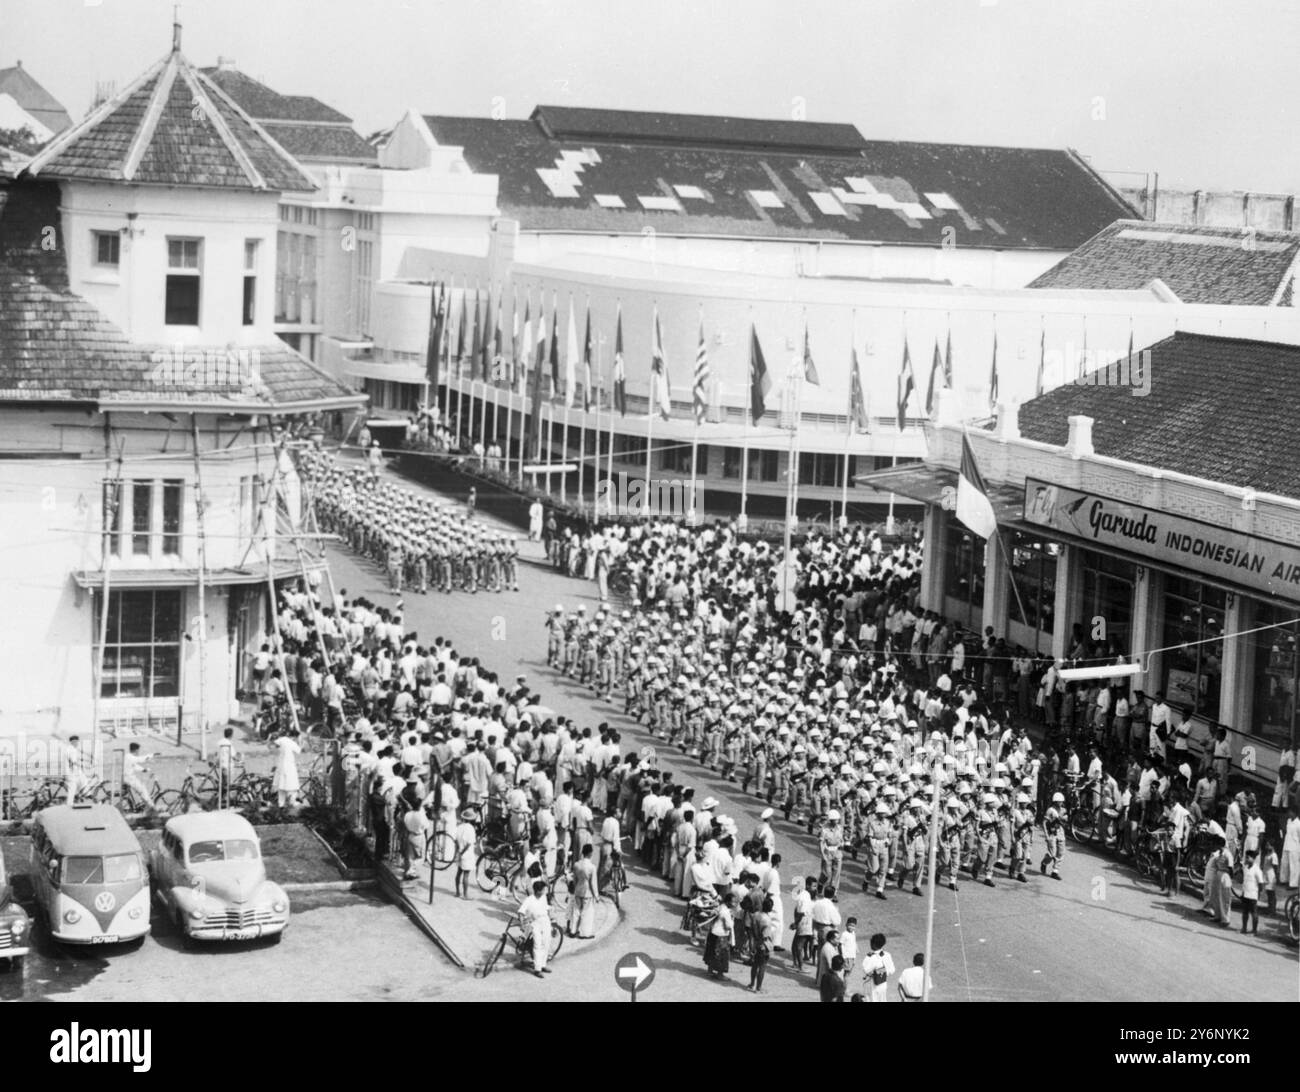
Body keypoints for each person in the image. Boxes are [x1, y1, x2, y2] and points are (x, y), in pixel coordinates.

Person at [519, 879, 553, 978]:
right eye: (544, 890)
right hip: (535, 923)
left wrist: (551, 914)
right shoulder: (529, 899)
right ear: (538, 891)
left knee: (546, 943)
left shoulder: (544, 897)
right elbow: (521, 912)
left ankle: (543, 965)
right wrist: (522, 924)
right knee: (537, 945)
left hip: (545, 921)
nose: (545, 891)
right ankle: (537, 969)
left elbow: (546, 908)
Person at [568, 843, 598, 939]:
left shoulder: (576, 864)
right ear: (590, 854)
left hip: (578, 890)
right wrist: (596, 896)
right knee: (586, 913)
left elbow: (575, 879)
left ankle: (573, 930)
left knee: (576, 911)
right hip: (587, 892)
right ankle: (584, 933)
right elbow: (593, 883)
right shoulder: (592, 867)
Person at [704, 892, 736, 978]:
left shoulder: (720, 907)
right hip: (721, 935)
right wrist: (732, 918)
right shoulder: (726, 912)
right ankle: (720, 974)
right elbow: (729, 926)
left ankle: (710, 971)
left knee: (712, 953)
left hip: (713, 933)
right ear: (728, 902)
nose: (735, 904)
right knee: (721, 955)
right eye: (733, 902)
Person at [747, 896, 775, 994]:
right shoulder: (767, 920)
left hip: (756, 942)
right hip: (764, 945)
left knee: (755, 965)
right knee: (762, 967)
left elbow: (751, 929)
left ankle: (751, 984)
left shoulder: (756, 915)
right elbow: (765, 936)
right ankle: (758, 988)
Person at [271, 729, 302, 809]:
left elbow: (273, 745)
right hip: (289, 766)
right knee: (293, 786)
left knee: (281, 786)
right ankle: (292, 802)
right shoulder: (292, 742)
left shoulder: (281, 740)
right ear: (295, 737)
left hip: (281, 765)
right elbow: (299, 751)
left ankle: (281, 804)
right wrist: (300, 742)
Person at [861, 932, 896, 1002]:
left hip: (873, 985)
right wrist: (883, 971)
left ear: (873, 944)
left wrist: (876, 972)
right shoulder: (887, 955)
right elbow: (892, 970)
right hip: (883, 983)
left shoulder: (870, 957)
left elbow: (865, 969)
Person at [453, 812, 478, 899]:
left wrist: (458, 852)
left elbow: (455, 840)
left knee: (459, 873)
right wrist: (462, 852)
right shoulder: (471, 828)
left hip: (460, 851)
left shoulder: (459, 827)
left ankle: (457, 892)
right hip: (467, 854)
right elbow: (469, 843)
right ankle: (465, 894)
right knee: (466, 875)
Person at [1240, 849, 1263, 935]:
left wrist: (1258, 895)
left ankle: (1254, 930)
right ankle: (1244, 928)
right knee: (1244, 912)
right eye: (1246, 858)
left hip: (1253, 894)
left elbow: (1261, 884)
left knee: (1254, 913)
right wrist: (1242, 893)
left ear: (1253, 859)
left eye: (1248, 858)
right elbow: (1244, 881)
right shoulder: (1245, 868)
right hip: (1245, 893)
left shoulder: (1257, 870)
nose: (1246, 860)